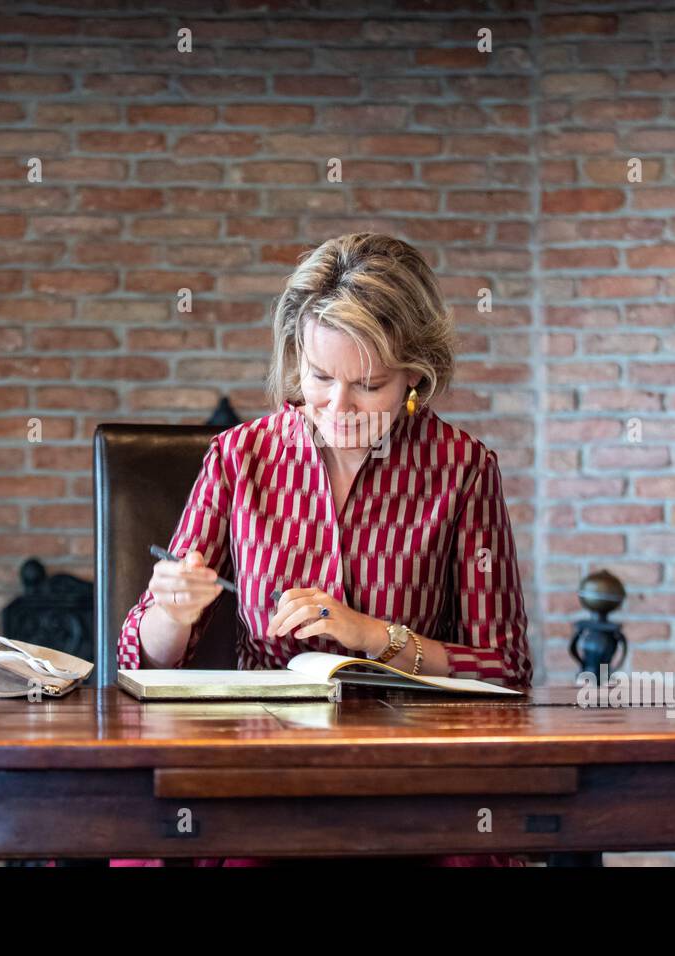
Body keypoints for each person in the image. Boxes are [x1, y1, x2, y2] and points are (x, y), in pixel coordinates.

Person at [115, 232, 533, 867]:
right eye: (317, 377)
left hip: (415, 774)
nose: (337, 407)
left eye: (368, 384)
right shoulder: (239, 458)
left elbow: (505, 670)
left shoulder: (463, 469)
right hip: (262, 771)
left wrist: (372, 636)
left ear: (416, 376)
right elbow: (140, 662)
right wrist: (172, 613)